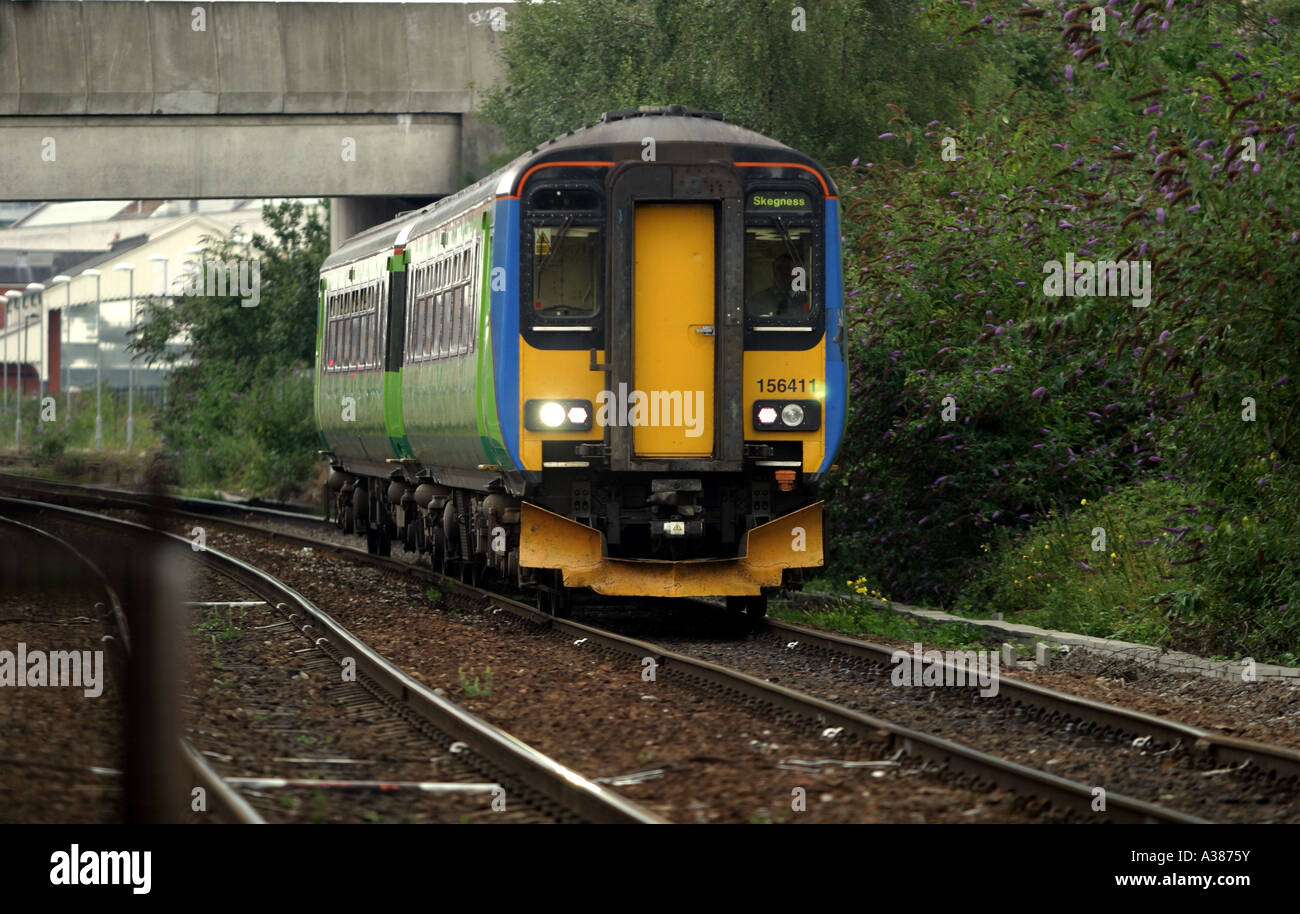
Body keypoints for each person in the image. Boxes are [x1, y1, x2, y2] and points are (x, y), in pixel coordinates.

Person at [747, 253, 808, 318]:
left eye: (788, 268)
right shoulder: (758, 301)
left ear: (795, 273)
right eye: (779, 268)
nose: (784, 272)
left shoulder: (806, 300)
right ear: (773, 271)